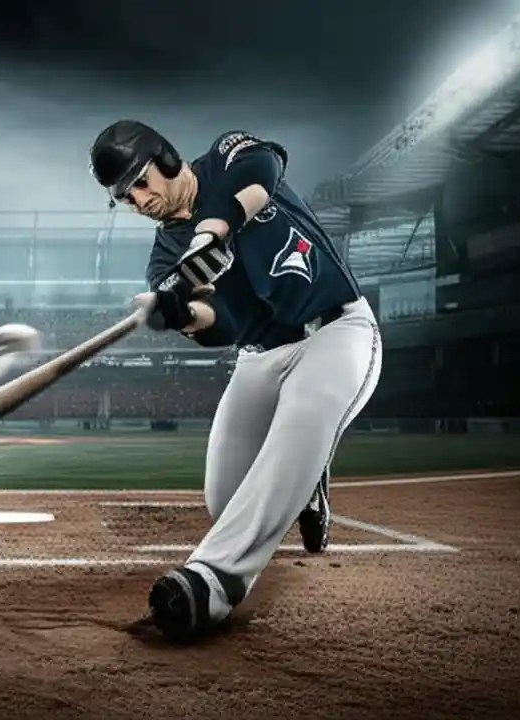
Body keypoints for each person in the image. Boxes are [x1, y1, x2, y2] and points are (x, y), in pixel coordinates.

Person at [89, 120, 383, 642]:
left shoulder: (225, 157)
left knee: (304, 418)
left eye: (139, 181)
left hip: (335, 330)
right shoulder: (162, 262)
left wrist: (213, 232)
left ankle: (212, 583)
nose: (138, 201)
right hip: (259, 356)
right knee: (225, 499)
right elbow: (220, 323)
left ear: (169, 158)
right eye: (124, 197)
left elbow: (264, 168)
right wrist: (178, 314)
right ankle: (308, 490)